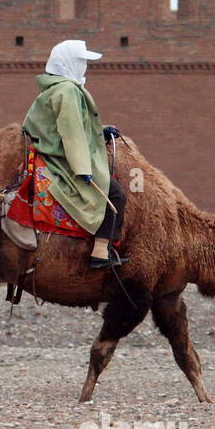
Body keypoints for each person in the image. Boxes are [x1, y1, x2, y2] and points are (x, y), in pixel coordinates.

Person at [21, 40, 128, 268]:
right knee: (115, 194)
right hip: (60, 160)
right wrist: (83, 170)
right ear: (69, 63)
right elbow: (72, 134)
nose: (85, 67)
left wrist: (100, 131)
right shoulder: (67, 90)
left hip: (53, 153)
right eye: (81, 62)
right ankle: (100, 253)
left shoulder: (57, 89)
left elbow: (74, 128)